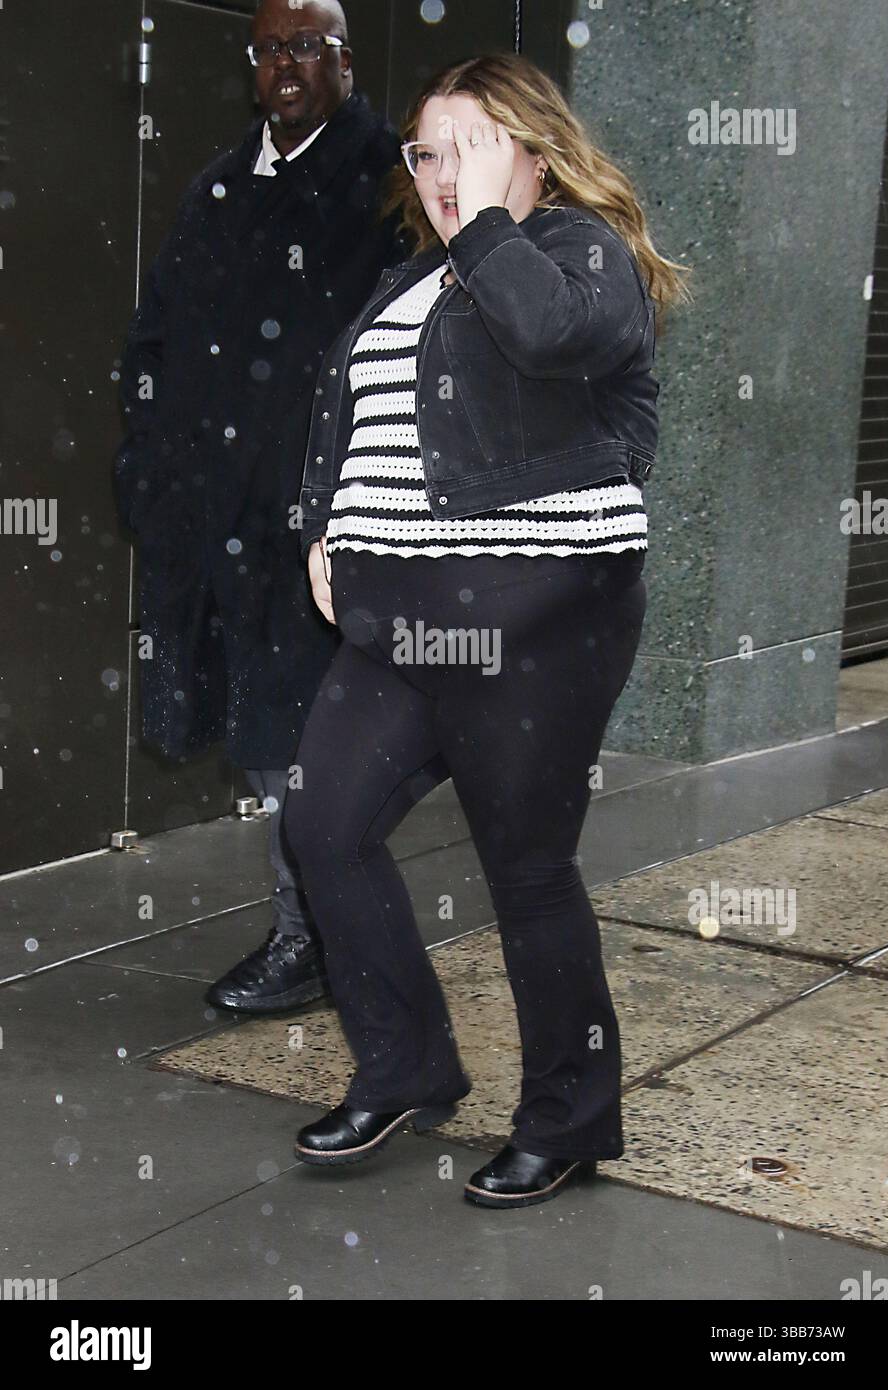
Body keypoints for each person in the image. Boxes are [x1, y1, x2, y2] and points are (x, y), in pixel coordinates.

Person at [284, 53, 690, 1208]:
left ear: (535, 149)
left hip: (537, 611)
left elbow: (548, 337)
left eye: (467, 143)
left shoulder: (576, 255)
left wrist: (485, 230)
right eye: (425, 151)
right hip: (399, 614)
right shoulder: (413, 279)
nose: (440, 171)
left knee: (525, 868)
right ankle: (406, 1065)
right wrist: (324, 528)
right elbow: (355, 417)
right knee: (323, 822)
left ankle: (566, 1117)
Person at [113, 0, 404, 1015]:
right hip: (214, 517)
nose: (287, 65)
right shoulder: (222, 185)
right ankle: (323, 927)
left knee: (304, 747)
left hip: (311, 528)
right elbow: (154, 340)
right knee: (268, 736)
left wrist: (339, 498)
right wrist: (149, 471)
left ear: (344, 62)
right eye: (270, 47)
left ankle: (311, 936)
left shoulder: (383, 188)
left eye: (307, 47)